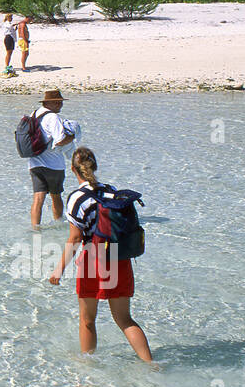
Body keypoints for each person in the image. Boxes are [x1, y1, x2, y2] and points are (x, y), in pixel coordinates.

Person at [48, 146, 152, 363]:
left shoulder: (77, 198)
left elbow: (75, 239)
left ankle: (87, 369)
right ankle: (150, 364)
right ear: (94, 166)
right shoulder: (112, 191)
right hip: (118, 258)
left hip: (92, 261)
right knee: (124, 319)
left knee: (87, 320)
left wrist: (59, 269)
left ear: (73, 169)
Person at [28, 88, 79, 229]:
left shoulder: (33, 115)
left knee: (38, 198)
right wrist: (73, 136)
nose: (61, 105)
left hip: (34, 163)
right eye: (59, 102)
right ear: (54, 103)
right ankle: (58, 226)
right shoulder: (53, 117)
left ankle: (35, 229)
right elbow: (60, 140)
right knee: (56, 196)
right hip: (54, 165)